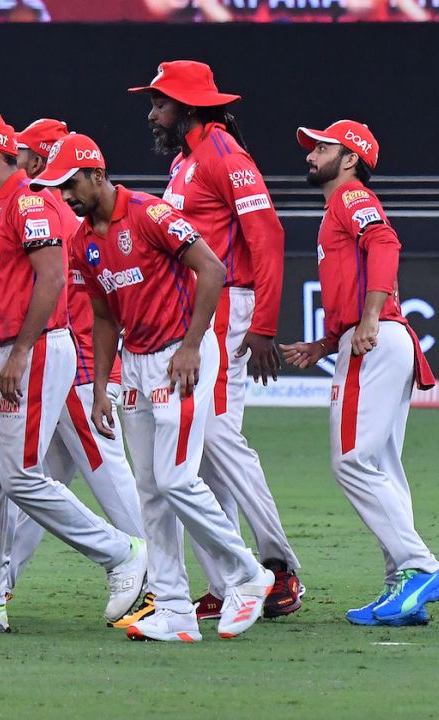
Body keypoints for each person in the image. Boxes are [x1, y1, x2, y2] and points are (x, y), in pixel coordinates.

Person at [33, 133, 274, 642]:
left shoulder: (150, 212)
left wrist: (192, 345)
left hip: (178, 358)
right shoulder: (81, 242)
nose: (65, 195)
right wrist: (102, 386)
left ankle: (248, 575)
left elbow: (213, 268)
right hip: (136, 365)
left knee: (176, 479)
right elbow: (103, 317)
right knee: (150, 492)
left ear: (97, 174)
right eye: (57, 187)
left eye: (70, 183)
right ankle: (173, 609)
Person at [0, 115, 147, 634]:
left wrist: (21, 352)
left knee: (22, 477)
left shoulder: (30, 203)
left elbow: (52, 280)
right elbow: (12, 294)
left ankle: (121, 552)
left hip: (40, 348)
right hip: (10, 351)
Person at [129, 60, 304, 620]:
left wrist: (265, 323)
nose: (152, 114)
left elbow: (268, 235)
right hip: (197, 310)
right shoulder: (186, 160)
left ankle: (278, 568)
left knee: (219, 437)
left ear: (187, 107)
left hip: (227, 308)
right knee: (200, 451)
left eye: (160, 103)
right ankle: (231, 580)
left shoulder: (225, 155)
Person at [283, 119, 439, 626]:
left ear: (351, 158)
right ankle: (404, 587)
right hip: (379, 339)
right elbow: (354, 278)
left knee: (352, 462)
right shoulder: (338, 206)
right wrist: (325, 343)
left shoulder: (351, 196)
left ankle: (420, 568)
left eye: (323, 148)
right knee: (380, 466)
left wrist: (371, 317)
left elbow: (385, 243)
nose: (311, 154)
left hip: (375, 340)